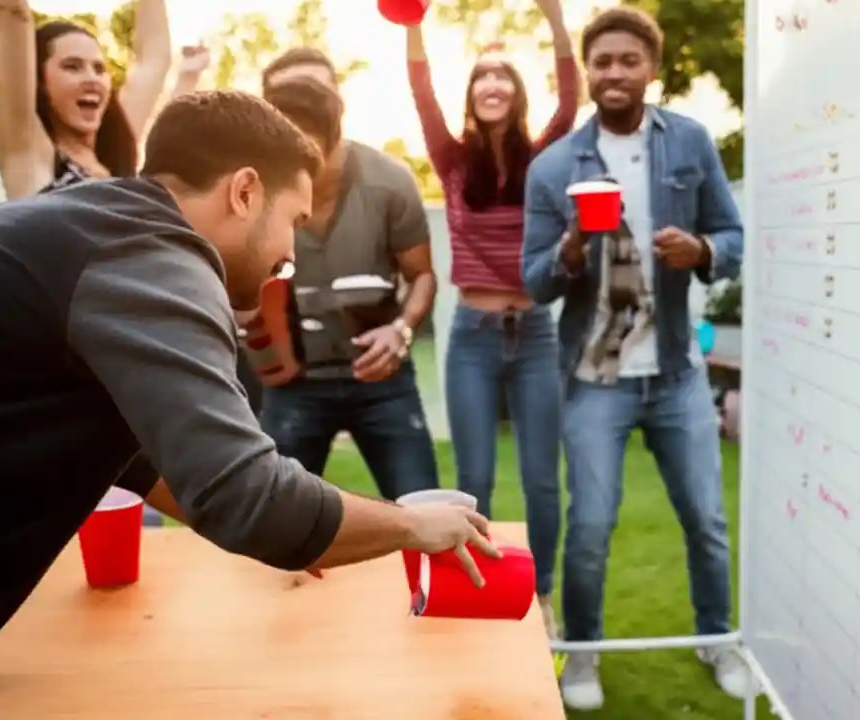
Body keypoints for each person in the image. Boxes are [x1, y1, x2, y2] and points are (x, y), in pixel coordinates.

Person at [0, 90, 496, 715]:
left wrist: (311, 529)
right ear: (244, 191)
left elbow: (148, 458)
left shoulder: (99, 230)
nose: (291, 256)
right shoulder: (155, 258)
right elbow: (249, 498)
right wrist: (409, 525)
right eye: (292, 219)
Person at [520, 6, 750, 710]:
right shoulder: (555, 165)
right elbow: (533, 280)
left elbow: (732, 234)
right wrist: (565, 252)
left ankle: (716, 636)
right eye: (602, 62)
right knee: (588, 528)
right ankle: (583, 655)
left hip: (677, 373)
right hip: (597, 378)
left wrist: (703, 251)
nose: (614, 73)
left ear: (651, 68)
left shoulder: (688, 143)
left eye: (628, 60)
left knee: (706, 520)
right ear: (587, 71)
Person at [404, 0, 576, 639]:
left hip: (535, 336)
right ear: (472, 95)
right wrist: (413, 23)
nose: (492, 84)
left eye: (503, 75)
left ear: (516, 92)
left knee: (540, 481)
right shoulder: (450, 161)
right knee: (472, 479)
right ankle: (474, 589)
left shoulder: (545, 160)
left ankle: (543, 596)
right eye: (481, 77)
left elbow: (568, 102)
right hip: (472, 338)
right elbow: (421, 93)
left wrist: (555, 19)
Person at [242, 48, 441, 501]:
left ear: (337, 105)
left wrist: (402, 330)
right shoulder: (250, 190)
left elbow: (423, 275)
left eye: (317, 91)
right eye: (288, 99)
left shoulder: (389, 180)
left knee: (425, 510)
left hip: (382, 380)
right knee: (271, 524)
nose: (304, 105)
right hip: (293, 384)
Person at [0, 0, 173, 198]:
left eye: (99, 69)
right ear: (39, 82)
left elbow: (155, 58)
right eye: (72, 67)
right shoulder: (29, 156)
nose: (92, 79)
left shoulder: (116, 150)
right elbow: (12, 12)